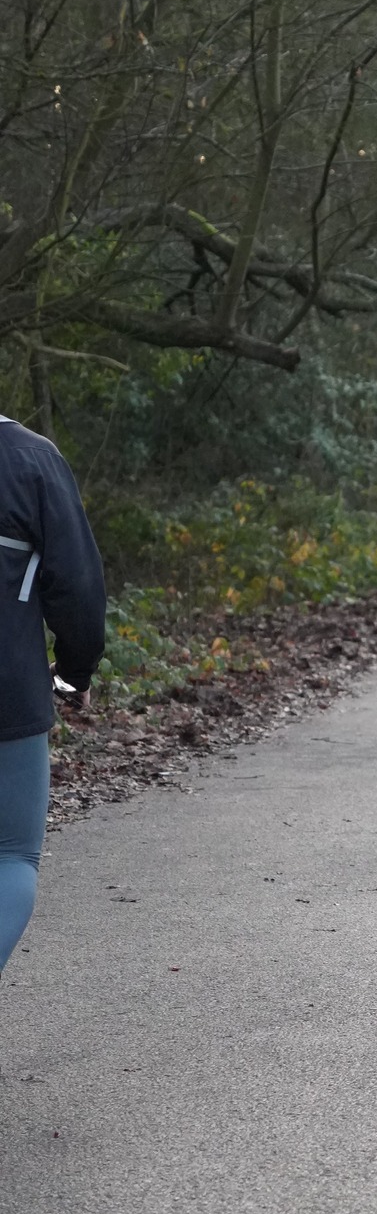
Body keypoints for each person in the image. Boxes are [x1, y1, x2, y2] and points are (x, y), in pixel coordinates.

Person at [1, 415, 105, 982]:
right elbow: (78, 588)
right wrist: (73, 674)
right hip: (8, 694)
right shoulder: (30, 460)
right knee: (11, 855)